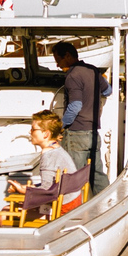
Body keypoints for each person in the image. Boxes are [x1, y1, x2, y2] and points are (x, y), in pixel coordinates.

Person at [51, 41, 112, 195]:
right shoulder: (92, 70)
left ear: (68, 56)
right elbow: (108, 91)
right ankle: (106, 202)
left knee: (74, 176)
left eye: (58, 60)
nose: (58, 65)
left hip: (76, 133)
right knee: (97, 173)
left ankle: (77, 210)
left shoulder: (72, 76)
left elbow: (75, 106)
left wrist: (61, 126)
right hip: (92, 132)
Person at [5, 110, 81, 223]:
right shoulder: (57, 149)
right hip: (71, 203)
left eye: (33, 129)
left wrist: (23, 191)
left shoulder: (48, 154)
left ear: (46, 134)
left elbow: (46, 191)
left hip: (61, 210)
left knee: (5, 213)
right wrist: (25, 187)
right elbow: (49, 185)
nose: (30, 132)